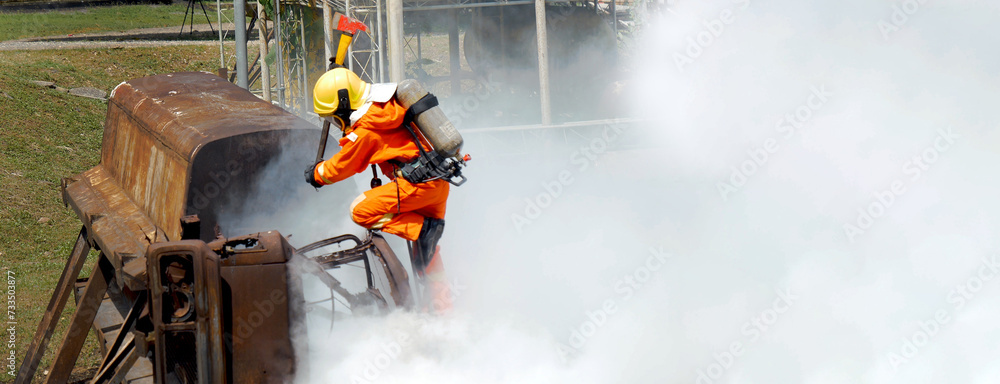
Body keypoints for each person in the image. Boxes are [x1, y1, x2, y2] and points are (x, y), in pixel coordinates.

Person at [305, 67, 451, 311]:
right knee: (427, 257)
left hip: (415, 185)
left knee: (360, 210)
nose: (335, 123)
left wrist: (316, 174)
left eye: (333, 117)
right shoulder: (387, 108)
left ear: (343, 107)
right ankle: (442, 311)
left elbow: (341, 167)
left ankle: (422, 228)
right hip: (437, 180)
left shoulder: (367, 129)